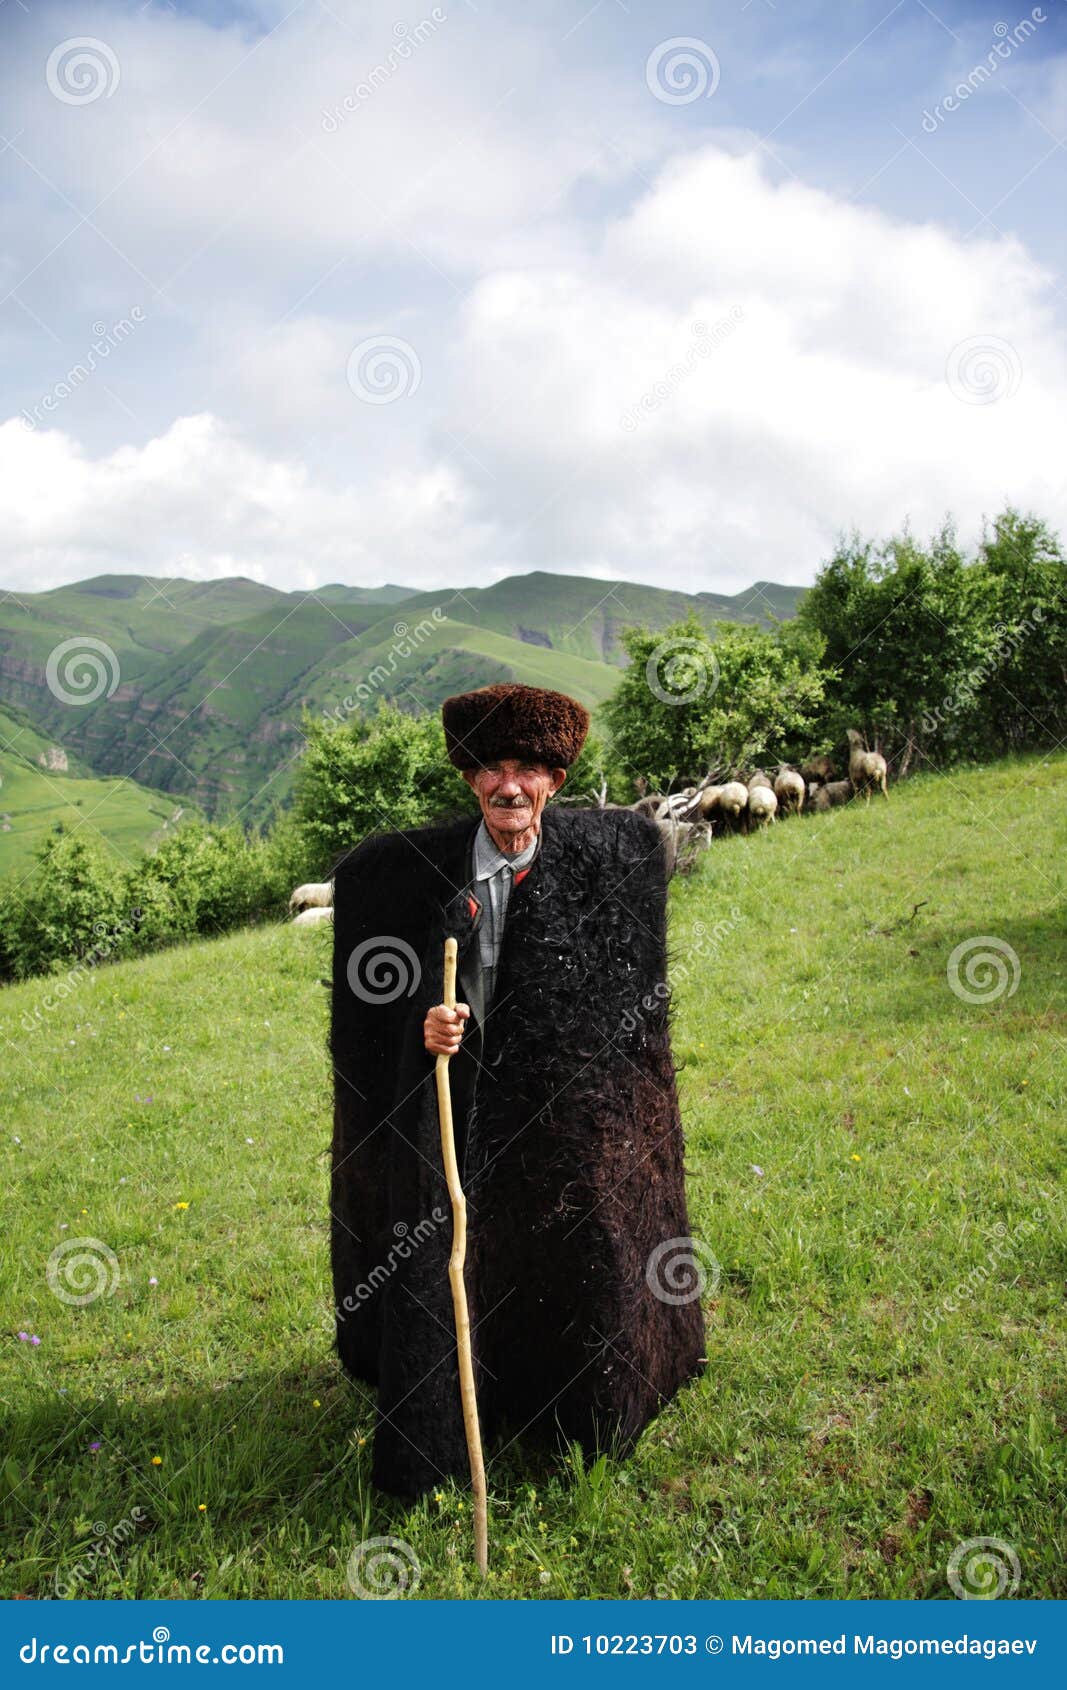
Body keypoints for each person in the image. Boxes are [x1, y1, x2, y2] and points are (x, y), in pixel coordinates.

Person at [330, 682, 705, 1498]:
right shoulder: (400, 879)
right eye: (493, 767)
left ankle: (574, 1398)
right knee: (444, 1236)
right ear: (468, 779)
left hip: (557, 1099)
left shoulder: (614, 863)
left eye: (529, 769)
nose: (510, 785)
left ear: (556, 782)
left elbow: (624, 1022)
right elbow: (374, 1020)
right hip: (451, 1107)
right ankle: (458, 1395)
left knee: (571, 1225)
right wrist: (421, 1030)